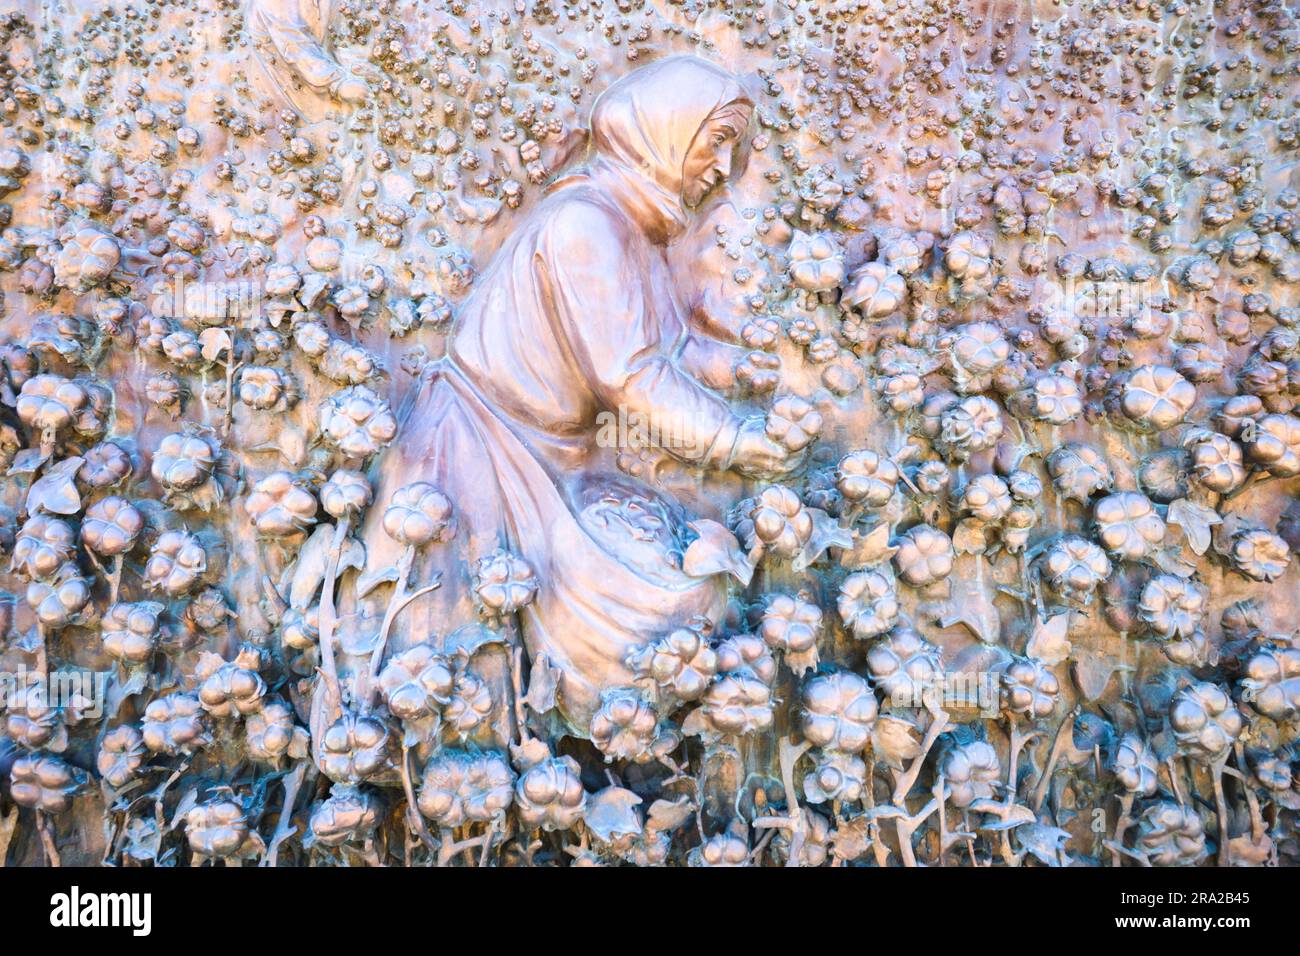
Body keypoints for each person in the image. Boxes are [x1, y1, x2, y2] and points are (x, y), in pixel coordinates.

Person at [356, 56, 802, 735]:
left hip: (549, 461)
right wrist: (740, 443)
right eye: (716, 142)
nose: (722, 169)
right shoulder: (587, 225)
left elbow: (665, 355)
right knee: (634, 614)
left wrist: (749, 378)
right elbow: (631, 378)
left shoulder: (628, 228)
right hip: (486, 457)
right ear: (667, 130)